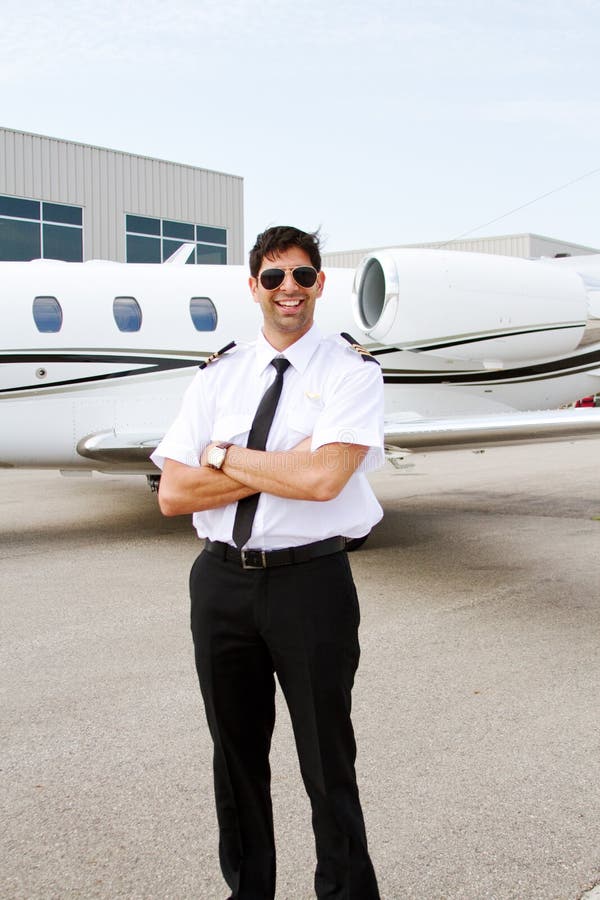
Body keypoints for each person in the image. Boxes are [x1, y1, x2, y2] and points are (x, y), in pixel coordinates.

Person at [151, 225, 384, 900]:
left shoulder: (351, 372)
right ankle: (249, 891)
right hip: (220, 582)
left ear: (320, 285)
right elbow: (173, 492)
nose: (291, 289)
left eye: (304, 276)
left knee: (325, 760)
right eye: (275, 277)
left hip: (309, 582)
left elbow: (322, 482)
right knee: (235, 758)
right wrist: (282, 463)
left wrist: (221, 456)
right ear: (253, 286)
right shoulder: (218, 376)